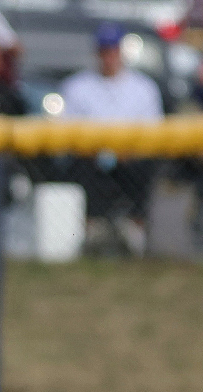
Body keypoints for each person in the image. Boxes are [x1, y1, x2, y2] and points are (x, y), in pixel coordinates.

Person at [59, 22, 163, 254]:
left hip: (131, 157)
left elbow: (154, 134)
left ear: (121, 51)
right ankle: (90, 227)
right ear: (97, 52)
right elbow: (66, 132)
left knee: (144, 167)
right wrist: (97, 152)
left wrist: (126, 152)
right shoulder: (77, 85)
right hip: (90, 157)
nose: (109, 57)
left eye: (113, 50)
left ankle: (134, 229)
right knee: (78, 167)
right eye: (104, 50)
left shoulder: (144, 87)